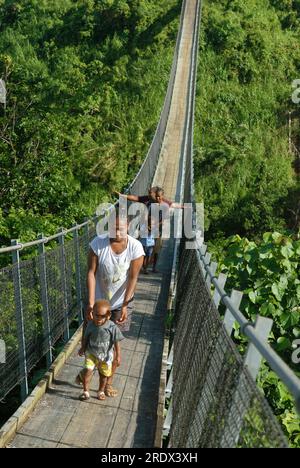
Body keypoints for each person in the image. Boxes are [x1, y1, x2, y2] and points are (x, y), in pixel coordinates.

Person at [77, 211, 144, 398]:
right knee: (91, 344)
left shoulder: (136, 248)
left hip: (121, 302)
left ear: (128, 228)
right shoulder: (97, 244)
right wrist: (90, 303)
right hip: (98, 303)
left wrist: (125, 305)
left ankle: (107, 384)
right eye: (113, 228)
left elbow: (133, 277)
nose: (117, 232)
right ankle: (87, 379)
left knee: (113, 346)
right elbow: (91, 272)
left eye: (120, 228)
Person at [78, 300, 124, 401]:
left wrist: (118, 356)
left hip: (105, 355)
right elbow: (86, 338)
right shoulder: (90, 325)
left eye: (102, 316)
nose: (98, 319)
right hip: (91, 353)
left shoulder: (112, 327)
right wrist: (83, 348)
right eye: (96, 315)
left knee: (103, 375)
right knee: (88, 371)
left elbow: (116, 342)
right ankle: (85, 392)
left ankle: (101, 391)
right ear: (92, 314)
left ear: (108, 316)